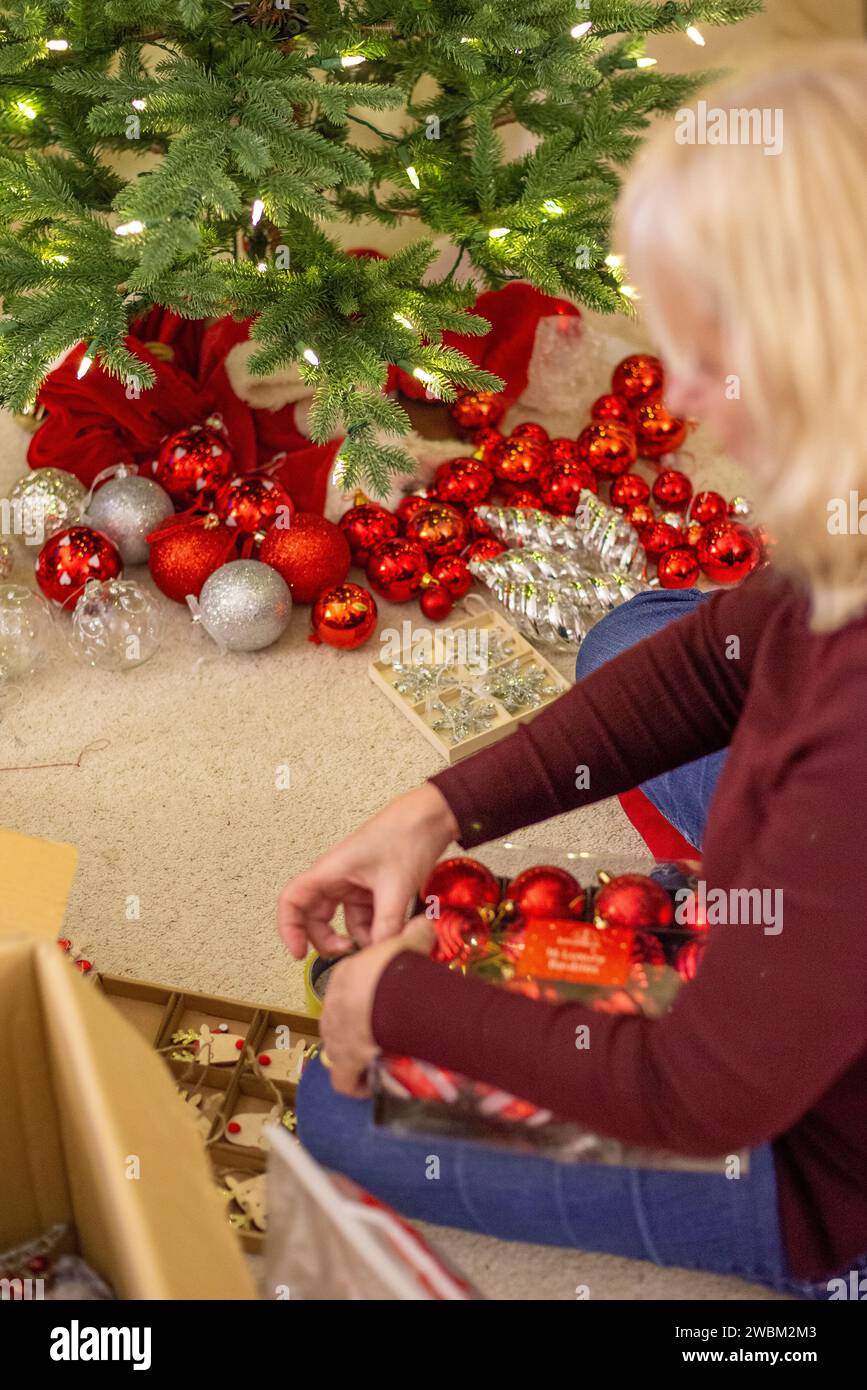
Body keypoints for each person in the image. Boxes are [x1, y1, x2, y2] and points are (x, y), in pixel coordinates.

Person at [277, 46, 867, 1297]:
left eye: (718, 357)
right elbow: (721, 656)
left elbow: (693, 1091)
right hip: (827, 902)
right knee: (639, 633)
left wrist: (396, 1000)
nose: (691, 401)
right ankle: (770, 914)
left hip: (832, 1170)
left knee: (333, 1110)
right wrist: (431, 811)